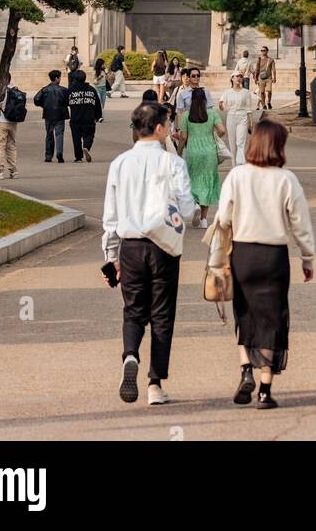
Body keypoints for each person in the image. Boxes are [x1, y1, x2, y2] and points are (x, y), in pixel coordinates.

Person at [102, 101, 199, 406]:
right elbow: (186, 209)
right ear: (158, 128)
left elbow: (111, 216)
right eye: (168, 124)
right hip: (163, 246)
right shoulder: (173, 163)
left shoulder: (119, 163)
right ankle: (155, 383)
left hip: (130, 245)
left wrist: (111, 256)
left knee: (133, 310)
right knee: (162, 314)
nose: (170, 129)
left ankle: (130, 355)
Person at [216, 119, 315, 410]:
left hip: (243, 253)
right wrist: (307, 258)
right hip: (274, 256)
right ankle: (265, 388)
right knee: (272, 316)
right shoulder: (286, 179)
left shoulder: (237, 176)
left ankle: (246, 367)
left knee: (244, 312)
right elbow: (301, 225)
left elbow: (223, 218)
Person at [175, 85, 226, 227]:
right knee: (207, 182)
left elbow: (183, 137)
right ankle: (204, 219)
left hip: (193, 151)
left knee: (193, 179)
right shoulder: (212, 113)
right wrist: (213, 136)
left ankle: (195, 204)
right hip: (209, 151)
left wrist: (178, 152)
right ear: (204, 99)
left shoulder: (185, 115)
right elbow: (222, 130)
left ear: (191, 100)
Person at [220, 71, 256, 167]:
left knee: (241, 142)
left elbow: (249, 109)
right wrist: (221, 106)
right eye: (237, 76)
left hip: (242, 117)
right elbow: (222, 106)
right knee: (232, 143)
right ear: (232, 78)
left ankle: (241, 165)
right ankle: (234, 166)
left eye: (240, 76)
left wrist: (250, 123)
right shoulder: (227, 92)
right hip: (231, 117)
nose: (239, 78)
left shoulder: (246, 92)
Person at [33, 69, 70, 163]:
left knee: (49, 135)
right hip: (60, 114)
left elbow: (36, 99)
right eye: (60, 77)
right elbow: (68, 101)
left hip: (48, 114)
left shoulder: (45, 89)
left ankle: (48, 155)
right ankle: (59, 153)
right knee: (59, 134)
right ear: (57, 78)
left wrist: (44, 105)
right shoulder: (63, 90)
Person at [68, 68, 103, 163]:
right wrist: (99, 116)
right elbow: (97, 104)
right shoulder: (91, 90)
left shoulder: (70, 91)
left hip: (75, 118)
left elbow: (65, 102)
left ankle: (78, 157)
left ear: (75, 79)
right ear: (85, 78)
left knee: (76, 138)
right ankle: (86, 147)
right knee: (89, 135)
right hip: (89, 118)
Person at [0, 84, 23, 180]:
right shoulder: (16, 90)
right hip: (13, 121)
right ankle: (13, 171)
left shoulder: (0, 91)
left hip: (1, 121)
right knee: (11, 146)